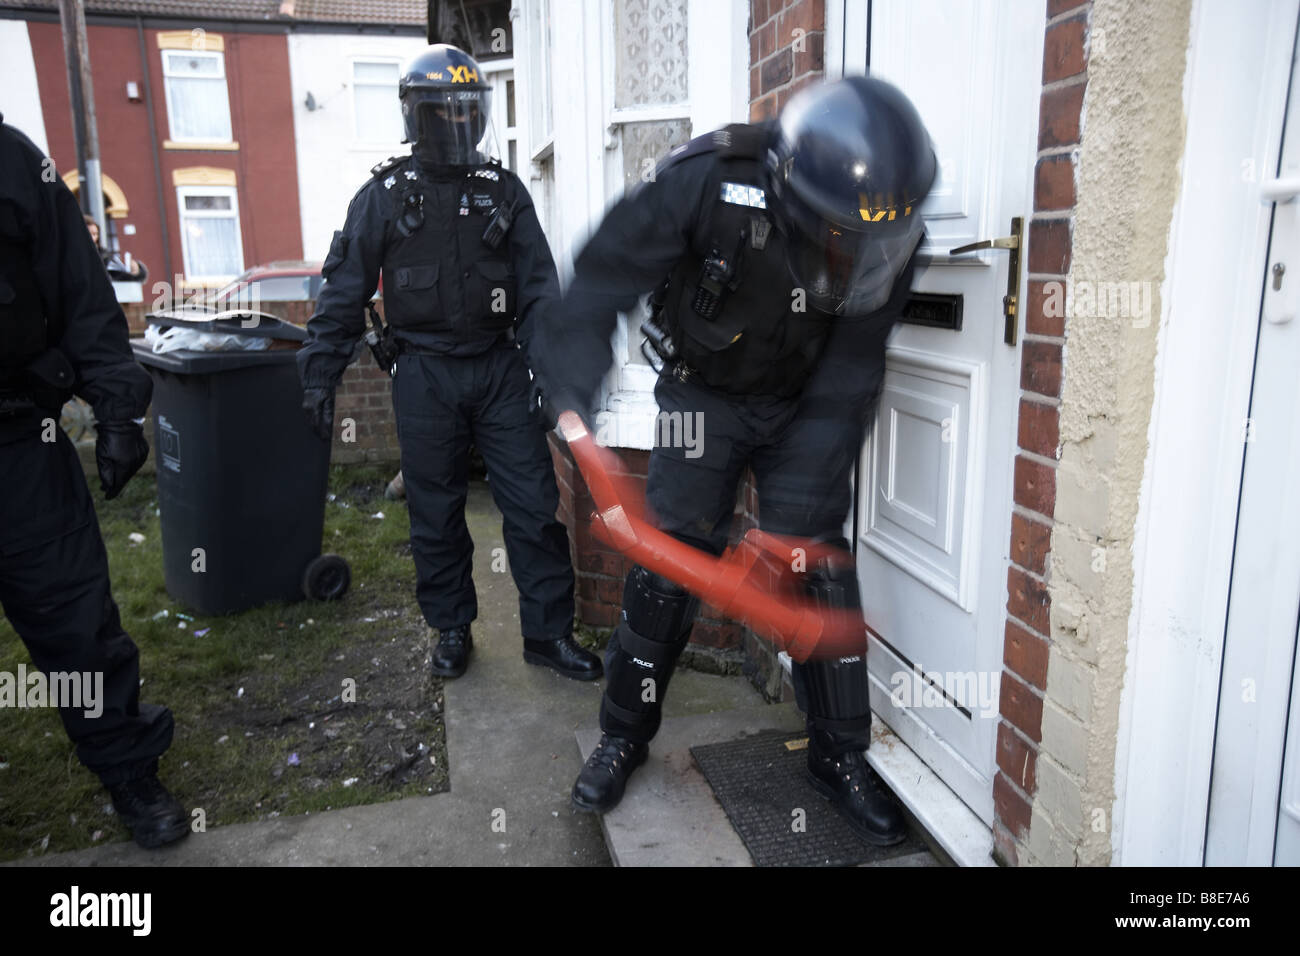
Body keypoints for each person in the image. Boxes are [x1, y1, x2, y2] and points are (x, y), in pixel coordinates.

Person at [533, 76, 936, 846]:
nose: (855, 258)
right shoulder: (706, 182)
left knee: (820, 566)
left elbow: (852, 370)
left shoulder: (894, 229)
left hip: (806, 401)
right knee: (674, 560)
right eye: (836, 239)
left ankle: (839, 756)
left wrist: (795, 532)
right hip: (703, 397)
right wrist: (571, 405)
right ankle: (624, 733)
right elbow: (600, 282)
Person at [298, 44, 600, 682]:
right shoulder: (383, 195)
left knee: (533, 508)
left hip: (499, 371)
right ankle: (452, 628)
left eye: (469, 112)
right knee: (434, 513)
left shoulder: (503, 193)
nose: (458, 125)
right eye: (445, 113)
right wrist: (320, 374)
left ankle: (548, 634)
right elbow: (344, 291)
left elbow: (541, 295)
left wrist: (554, 379)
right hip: (424, 374)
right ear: (418, 117)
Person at [0, 114, 188, 849]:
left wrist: (117, 411)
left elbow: (80, 294)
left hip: (18, 442)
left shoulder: (13, 163)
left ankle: (128, 771)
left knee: (74, 623)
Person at [84, 213, 147, 283]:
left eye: (95, 234)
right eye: (89, 233)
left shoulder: (103, 257)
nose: (92, 237)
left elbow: (121, 273)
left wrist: (137, 270)